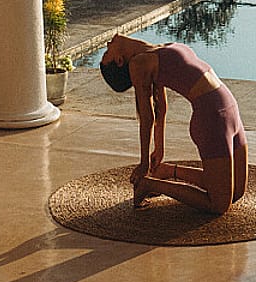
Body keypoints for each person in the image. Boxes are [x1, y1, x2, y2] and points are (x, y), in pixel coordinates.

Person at [100, 34, 248, 214]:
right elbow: (147, 117)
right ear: (119, 60)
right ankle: (148, 184)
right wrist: (144, 163)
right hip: (211, 118)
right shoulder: (139, 64)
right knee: (219, 205)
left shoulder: (155, 50)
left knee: (237, 191)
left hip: (231, 111)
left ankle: (167, 171)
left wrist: (159, 149)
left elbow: (160, 107)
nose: (108, 44)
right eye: (106, 52)